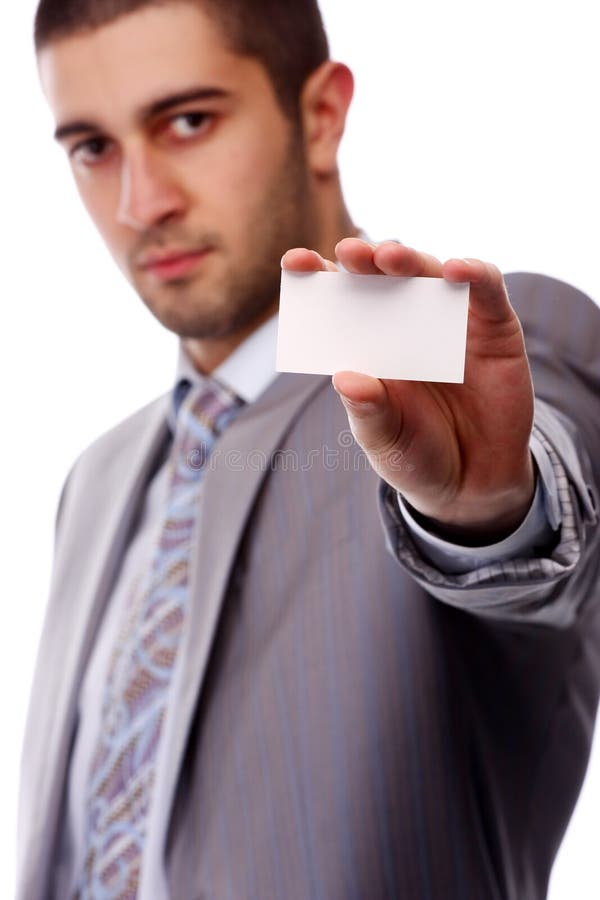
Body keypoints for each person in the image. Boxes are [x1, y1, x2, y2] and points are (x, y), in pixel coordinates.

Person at [19, 0, 600, 898]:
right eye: (93, 147)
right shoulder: (95, 480)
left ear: (321, 115)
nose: (141, 204)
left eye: (187, 121)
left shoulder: (464, 364)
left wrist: (485, 509)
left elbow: (550, 544)